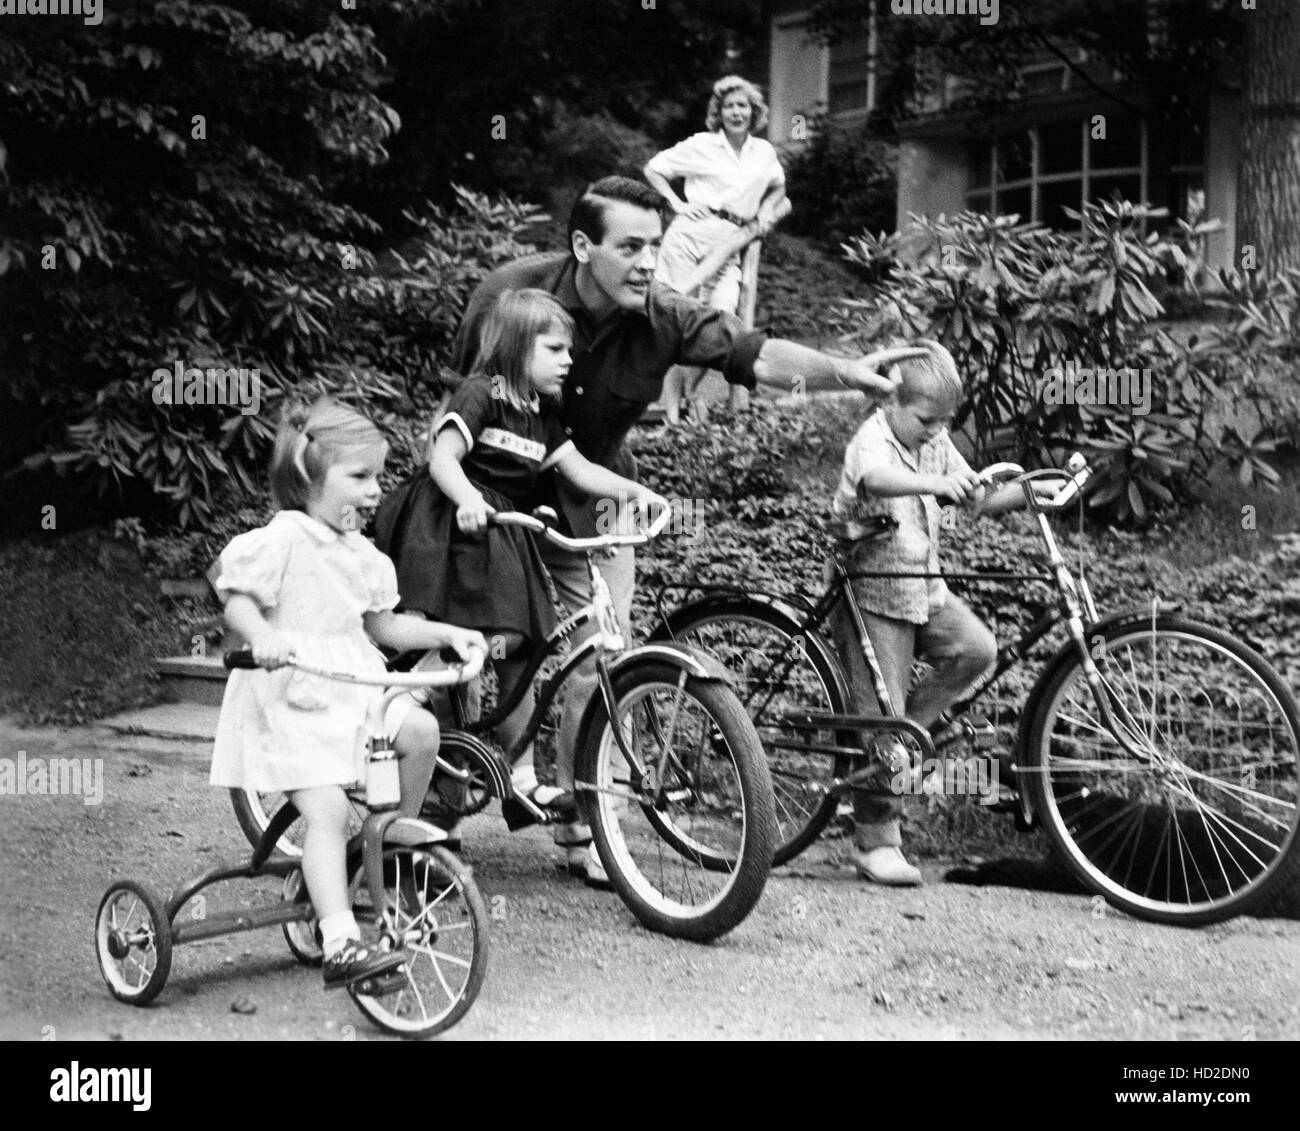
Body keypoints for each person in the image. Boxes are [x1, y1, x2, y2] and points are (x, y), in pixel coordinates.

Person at [449, 175, 925, 886]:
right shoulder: (513, 295)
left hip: (597, 498)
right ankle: (436, 810)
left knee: (602, 657)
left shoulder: (665, 316)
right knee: (486, 652)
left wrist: (848, 373)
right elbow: (464, 406)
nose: (648, 262)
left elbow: (757, 356)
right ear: (584, 245)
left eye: (656, 246)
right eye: (631, 246)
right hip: (501, 495)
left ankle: (588, 823)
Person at [210, 397, 486, 989]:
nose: (374, 491)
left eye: (378, 477)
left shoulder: (362, 554)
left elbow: (382, 626)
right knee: (328, 811)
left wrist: (447, 632)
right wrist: (261, 636)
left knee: (418, 731)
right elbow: (236, 596)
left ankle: (388, 849)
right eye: (359, 477)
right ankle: (339, 942)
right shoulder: (283, 539)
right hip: (289, 700)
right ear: (309, 476)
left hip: (349, 688)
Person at [374, 289, 667, 842]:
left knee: (522, 647)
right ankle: (411, 715)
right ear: (516, 347)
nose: (568, 361)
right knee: (455, 647)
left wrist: (636, 490)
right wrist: (466, 500)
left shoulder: (542, 413)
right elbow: (442, 458)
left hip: (503, 533)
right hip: (450, 527)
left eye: (569, 350)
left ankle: (523, 775)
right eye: (555, 349)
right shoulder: (483, 393)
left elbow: (578, 470)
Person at [826, 342, 1064, 886]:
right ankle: (874, 840)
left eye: (945, 421)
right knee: (880, 714)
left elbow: (975, 496)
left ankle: (898, 750)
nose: (936, 431)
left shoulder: (932, 441)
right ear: (893, 404)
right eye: (926, 419)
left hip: (921, 588)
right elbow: (876, 482)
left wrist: (1030, 492)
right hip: (872, 593)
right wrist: (934, 484)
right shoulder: (874, 438)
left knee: (976, 649)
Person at [644, 75, 789, 423]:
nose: (736, 112)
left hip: (732, 241)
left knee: (722, 322)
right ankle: (672, 418)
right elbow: (654, 168)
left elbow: (779, 189)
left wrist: (768, 211)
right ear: (719, 112)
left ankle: (691, 393)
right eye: (728, 106)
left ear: (754, 111)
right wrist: (676, 203)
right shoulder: (702, 144)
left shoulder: (763, 152)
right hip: (691, 236)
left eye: (743, 106)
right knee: (677, 322)